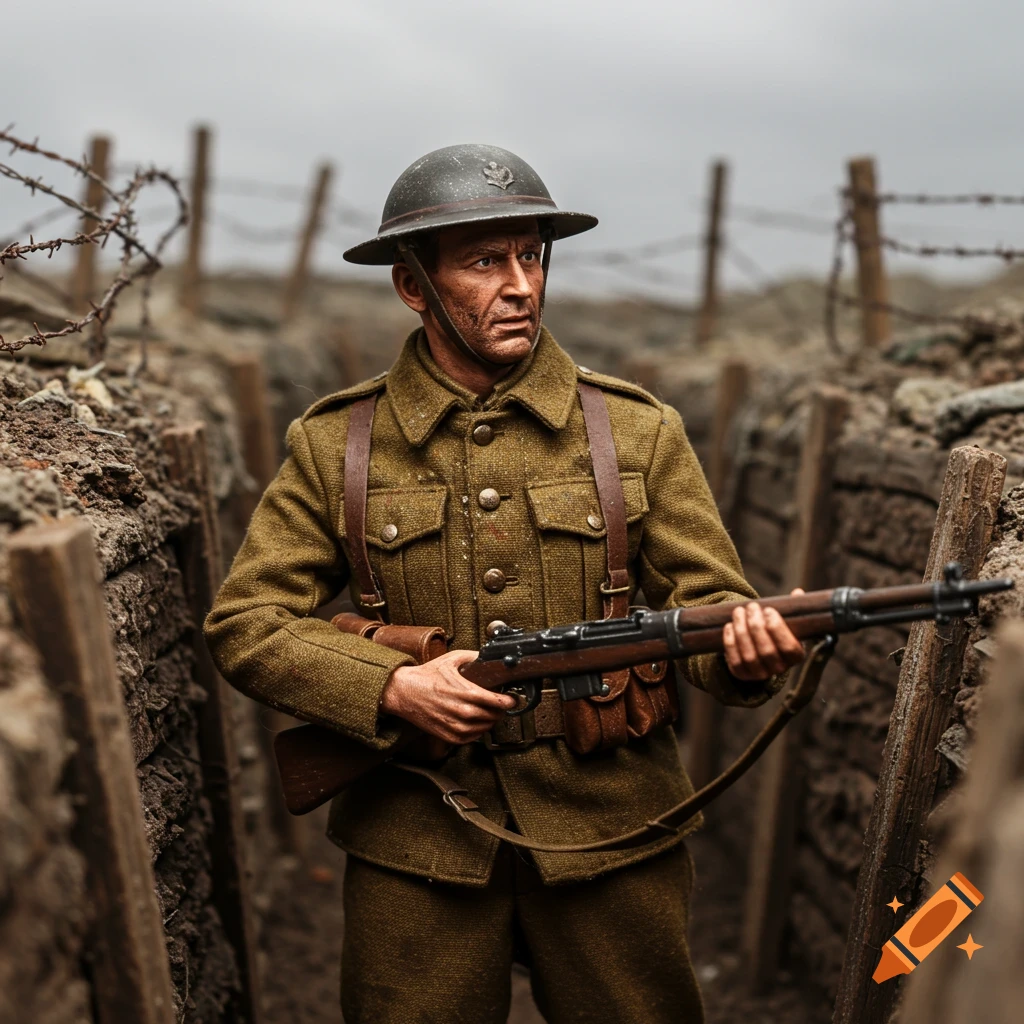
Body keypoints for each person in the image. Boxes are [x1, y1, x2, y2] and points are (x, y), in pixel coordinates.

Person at [204, 144, 805, 1024]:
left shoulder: (636, 431)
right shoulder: (338, 445)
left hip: (613, 829)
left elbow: (708, 610)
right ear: (413, 285)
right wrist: (394, 686)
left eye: (531, 255)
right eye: (486, 262)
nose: (521, 285)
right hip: (418, 836)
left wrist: (748, 652)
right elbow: (247, 622)